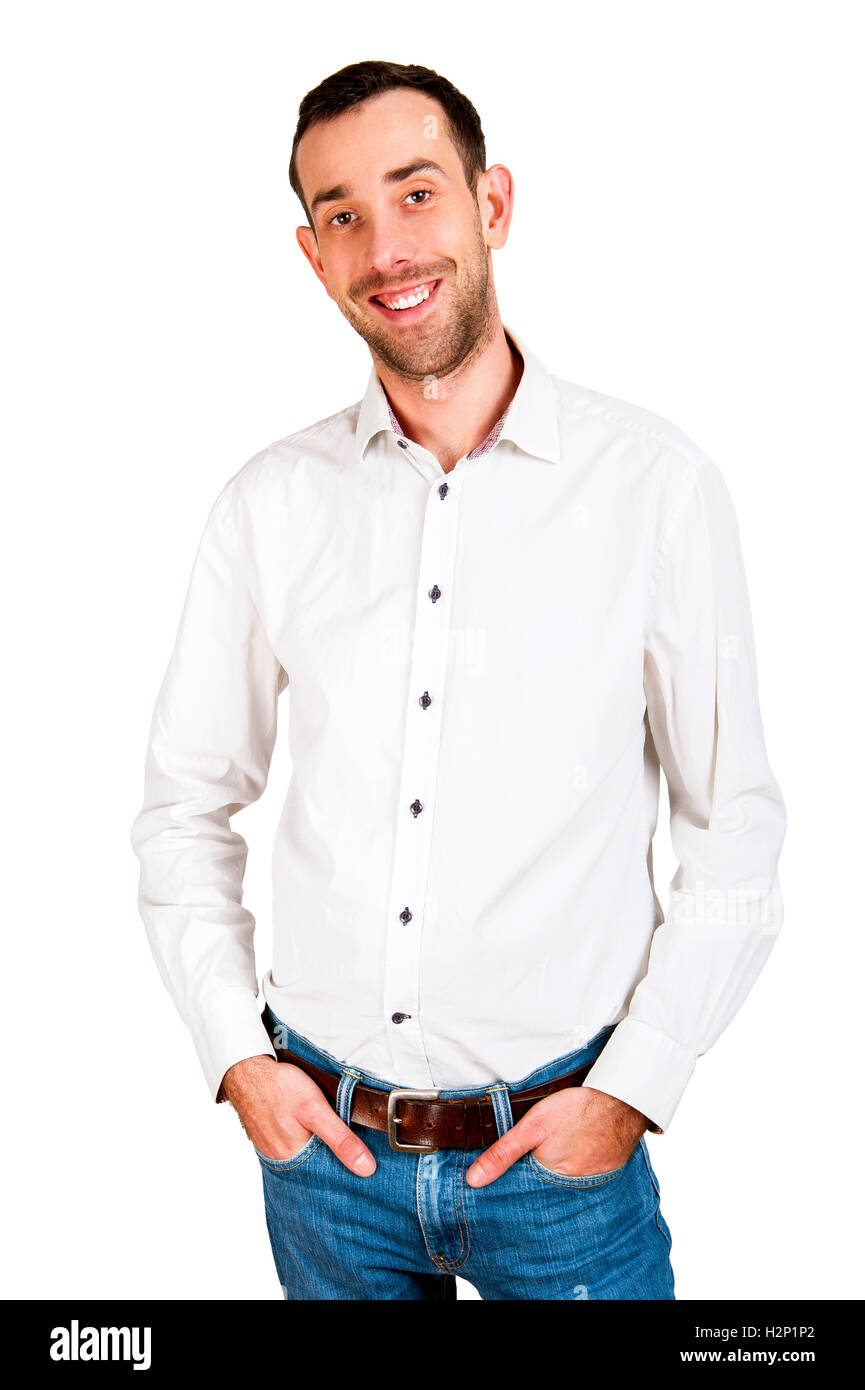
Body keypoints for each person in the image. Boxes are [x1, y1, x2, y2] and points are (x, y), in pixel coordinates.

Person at [130, 60, 787, 1301]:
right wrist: (236, 1058)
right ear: (312, 254)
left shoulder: (652, 487)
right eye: (342, 215)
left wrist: (635, 1086)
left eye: (416, 192)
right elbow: (182, 809)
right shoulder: (268, 506)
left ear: (491, 204)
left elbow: (737, 821)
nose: (386, 246)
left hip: (562, 1165)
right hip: (326, 1163)